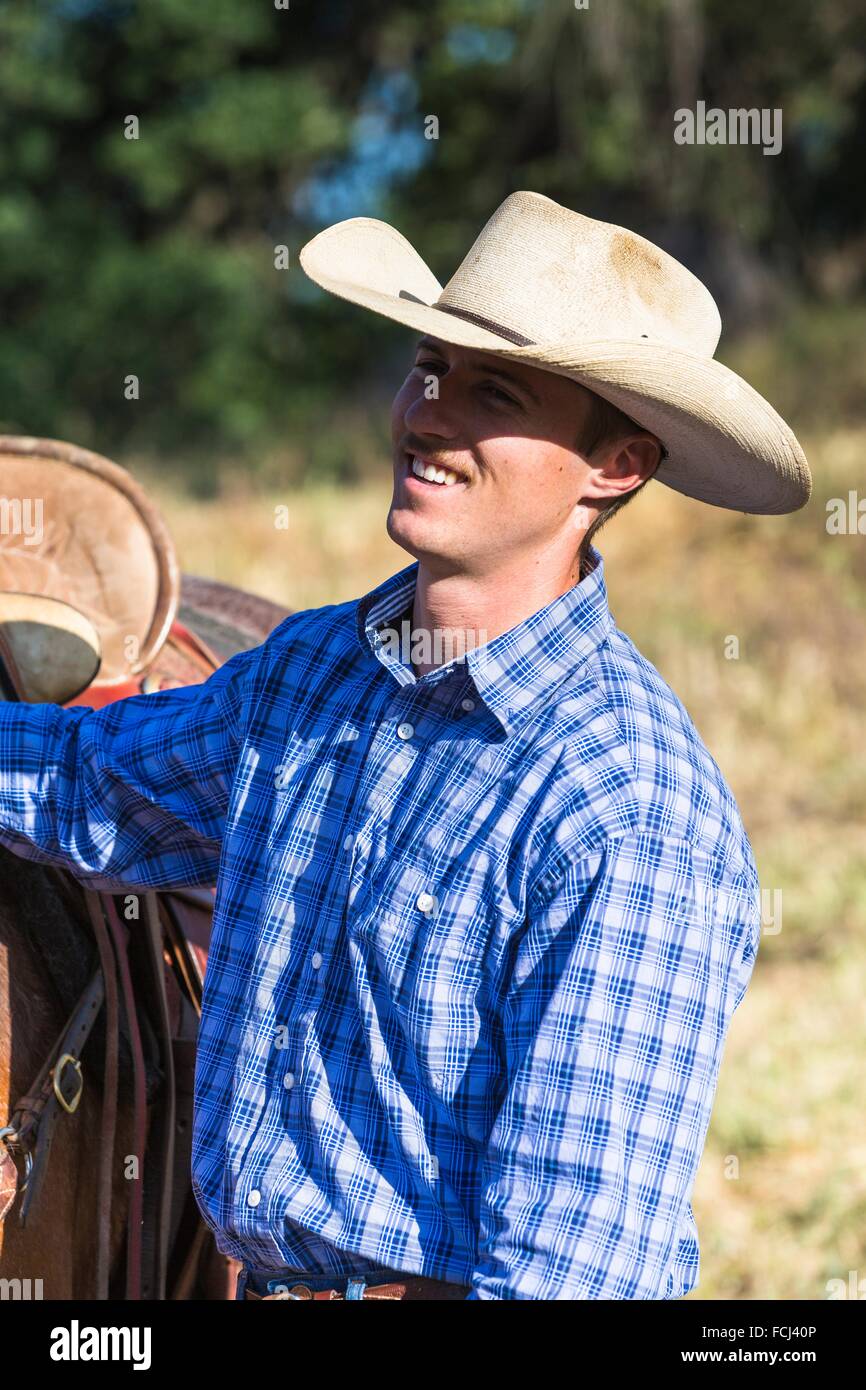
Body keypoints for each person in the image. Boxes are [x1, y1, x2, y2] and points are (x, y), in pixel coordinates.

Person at [0, 192, 810, 1300]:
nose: (429, 415)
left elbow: (567, 1277)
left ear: (612, 465)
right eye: (427, 368)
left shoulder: (625, 814)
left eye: (495, 393)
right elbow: (89, 786)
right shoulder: (318, 672)